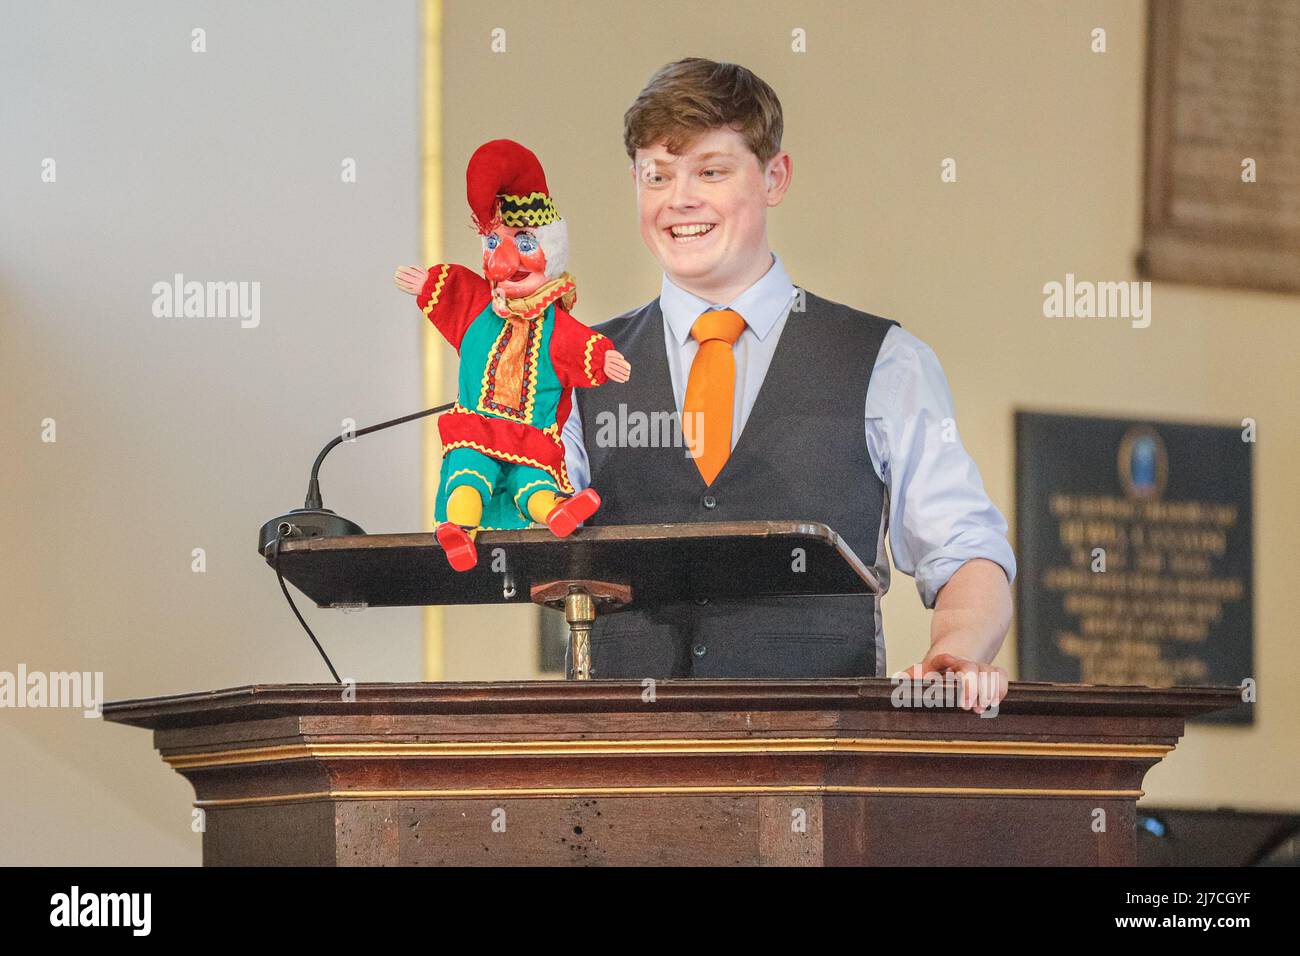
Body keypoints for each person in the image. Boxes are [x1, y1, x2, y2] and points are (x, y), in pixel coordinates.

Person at [563, 58, 1015, 712]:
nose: (680, 199)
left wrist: (957, 652)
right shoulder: (577, 367)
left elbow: (968, 551)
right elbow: (537, 532)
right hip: (629, 763)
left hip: (824, 760)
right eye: (656, 176)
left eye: (711, 172)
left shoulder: (884, 361)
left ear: (774, 177)